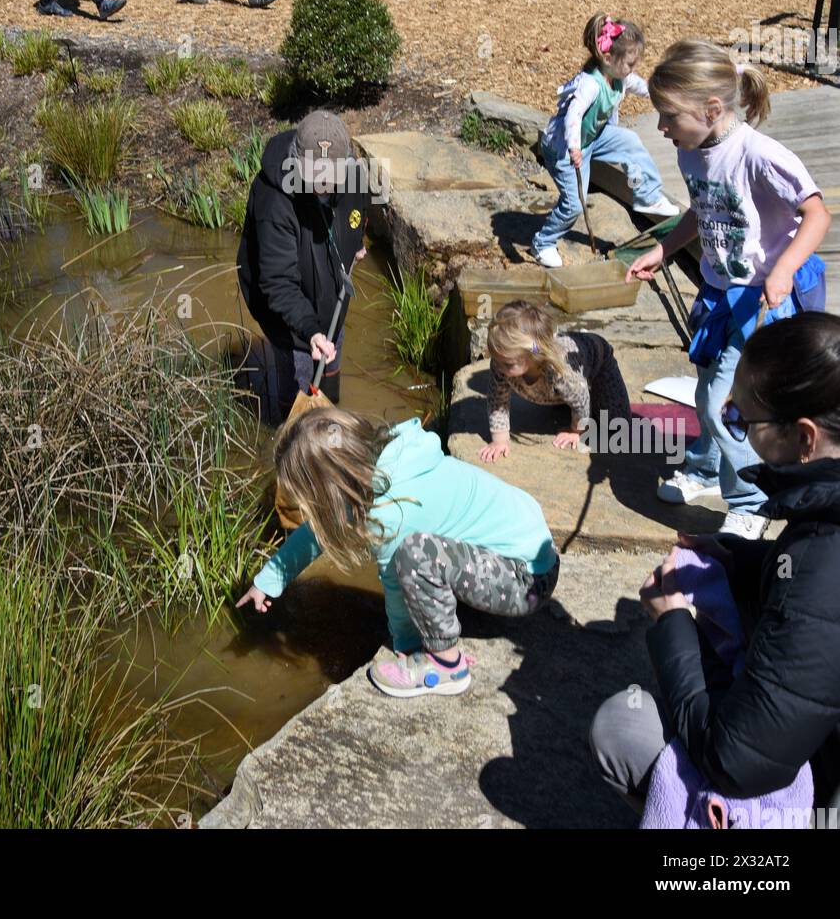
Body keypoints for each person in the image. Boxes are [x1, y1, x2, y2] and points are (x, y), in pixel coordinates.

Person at [591, 312, 840, 821]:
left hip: (809, 777)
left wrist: (673, 625)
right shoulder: (823, 523)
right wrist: (747, 560)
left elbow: (737, 761)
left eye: (740, 422)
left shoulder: (821, 565)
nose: (734, 429)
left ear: (806, 439)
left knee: (621, 727)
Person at [627, 39, 830, 539]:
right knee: (705, 390)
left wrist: (782, 269)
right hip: (720, 291)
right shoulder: (693, 151)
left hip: (763, 297)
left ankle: (750, 499)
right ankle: (703, 470)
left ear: (711, 109)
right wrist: (664, 248)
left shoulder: (759, 155)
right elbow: (701, 210)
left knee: (728, 401)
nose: (661, 128)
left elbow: (817, 213)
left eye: (668, 116)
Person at [237, 407, 560, 698]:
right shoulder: (391, 457)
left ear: (328, 491)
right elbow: (318, 533)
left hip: (525, 582)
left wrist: (405, 645)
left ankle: (448, 666)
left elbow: (395, 582)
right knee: (420, 553)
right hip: (531, 551)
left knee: (415, 555)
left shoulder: (391, 511)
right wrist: (270, 579)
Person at [236, 111, 371, 418]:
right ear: (297, 163)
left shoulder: (355, 176)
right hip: (285, 311)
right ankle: (292, 430)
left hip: (330, 295)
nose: (323, 183)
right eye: (315, 175)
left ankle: (331, 411)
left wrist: (355, 245)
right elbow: (278, 282)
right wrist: (310, 331)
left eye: (331, 176)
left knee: (330, 359)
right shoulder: (274, 201)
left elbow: (358, 214)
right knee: (298, 380)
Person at [532, 12, 679, 268]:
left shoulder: (620, 76)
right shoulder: (590, 84)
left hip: (594, 139)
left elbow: (645, 89)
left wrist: (667, 97)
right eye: (630, 64)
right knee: (574, 205)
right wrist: (575, 147)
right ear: (608, 58)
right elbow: (573, 115)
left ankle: (647, 195)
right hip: (565, 149)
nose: (633, 69)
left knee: (630, 141)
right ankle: (542, 243)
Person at [478, 299, 631, 462]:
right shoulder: (501, 364)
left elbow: (582, 399)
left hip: (598, 362)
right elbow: (497, 401)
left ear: (531, 356)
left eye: (507, 363)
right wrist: (499, 441)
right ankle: (569, 399)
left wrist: (575, 431)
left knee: (617, 425)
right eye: (496, 359)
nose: (498, 367)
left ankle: (582, 390)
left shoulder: (559, 372)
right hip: (567, 375)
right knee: (566, 397)